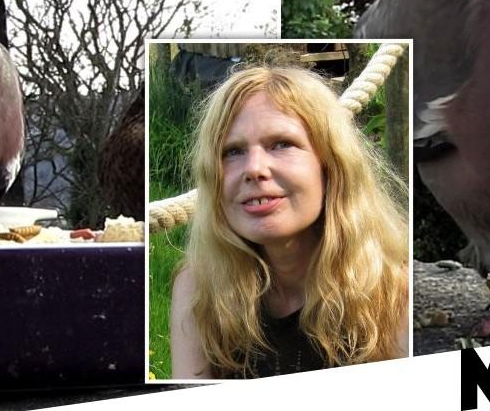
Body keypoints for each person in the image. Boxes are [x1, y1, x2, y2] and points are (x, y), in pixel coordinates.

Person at [170, 64, 410, 379]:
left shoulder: (397, 294)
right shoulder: (198, 289)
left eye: (281, 144)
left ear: (330, 166)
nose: (254, 168)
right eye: (232, 151)